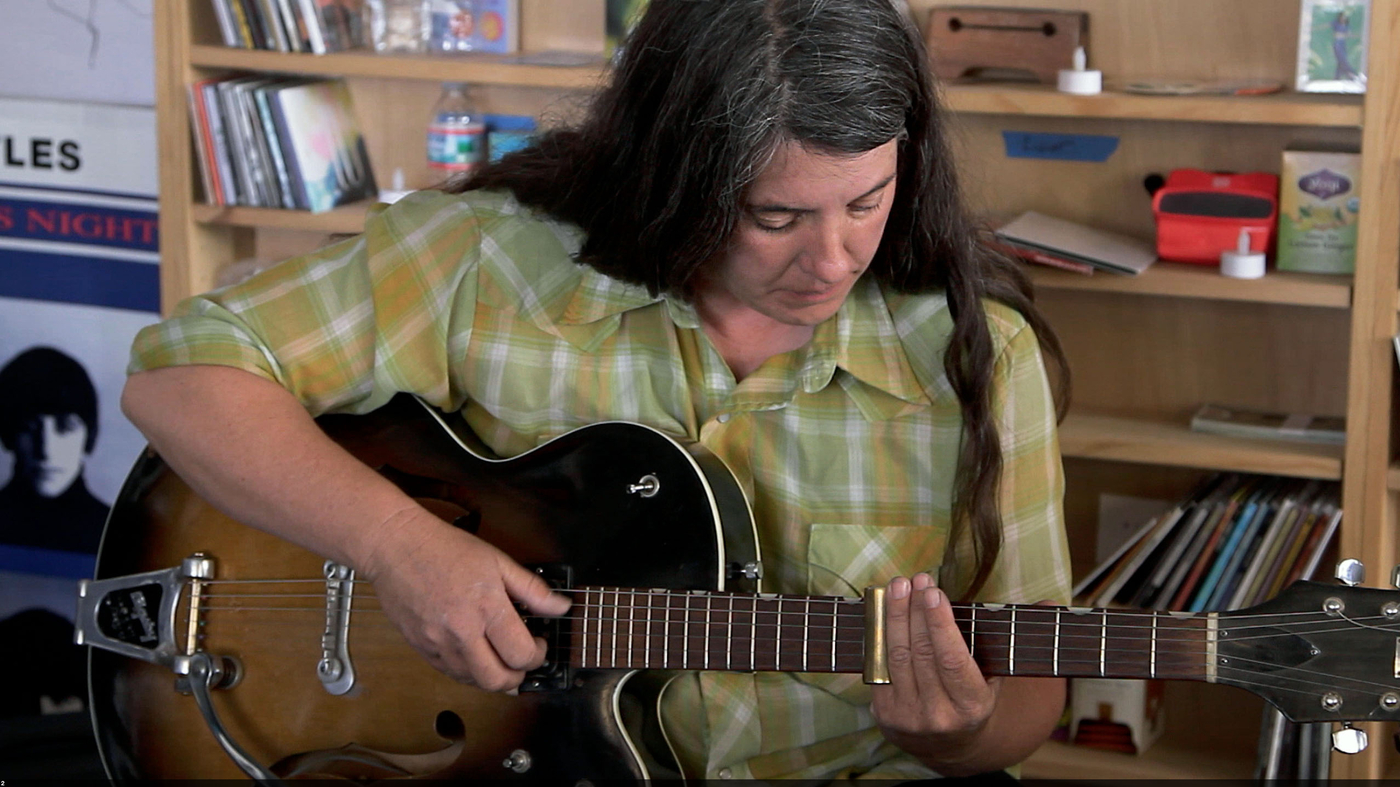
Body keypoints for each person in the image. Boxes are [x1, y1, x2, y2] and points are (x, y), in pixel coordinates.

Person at [122, 0, 1073, 780]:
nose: (831, 259)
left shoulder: (978, 357)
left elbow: (1033, 684)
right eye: (775, 215)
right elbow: (177, 375)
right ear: (673, 175)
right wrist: (397, 544)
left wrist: (954, 734)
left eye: (867, 201)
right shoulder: (484, 260)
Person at [0, 346, 109, 554]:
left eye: (65, 427)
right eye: (28, 427)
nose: (46, 450)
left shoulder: (118, 535)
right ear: (8, 434)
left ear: (89, 435)